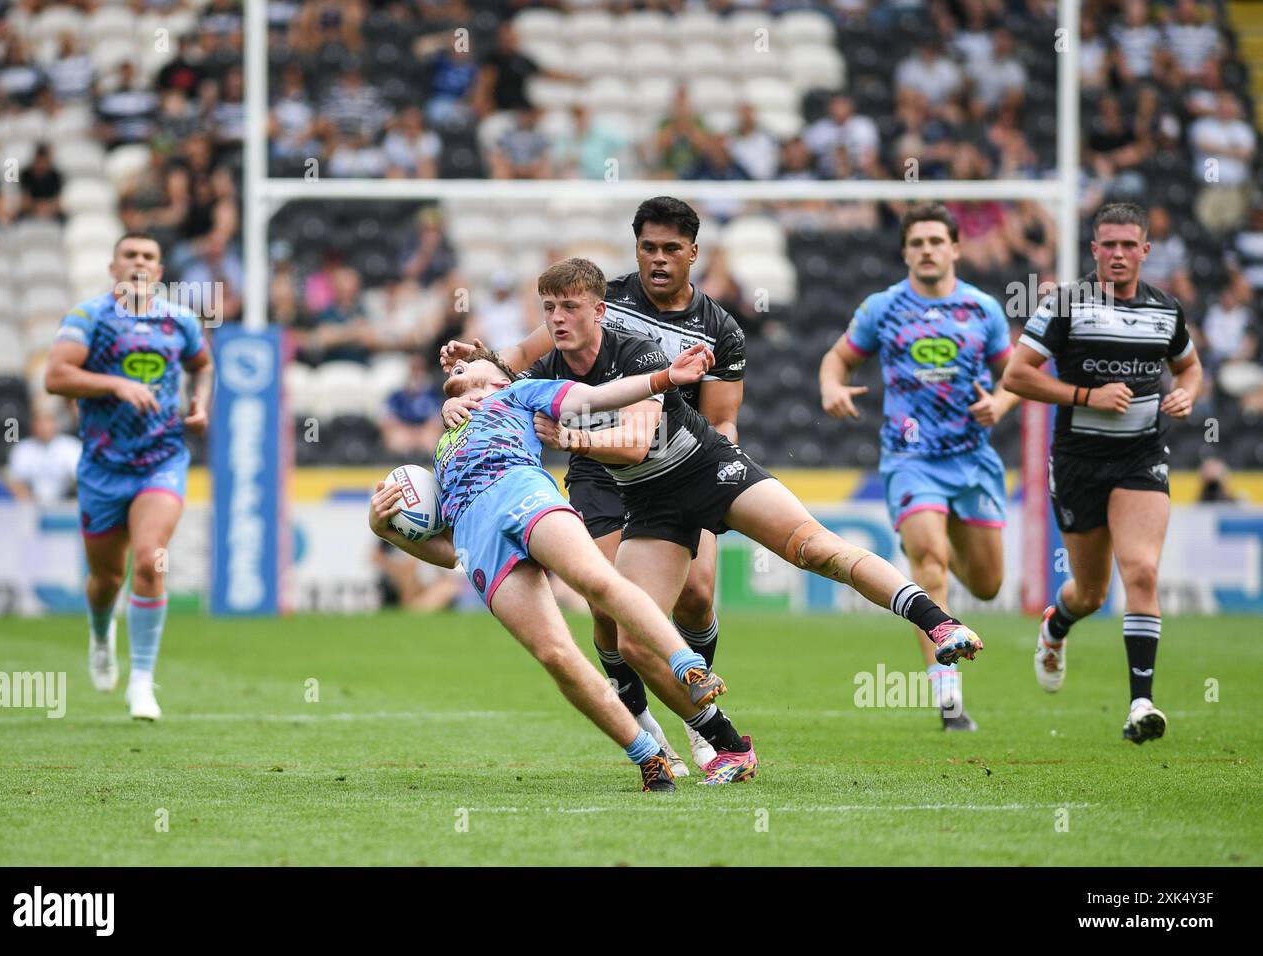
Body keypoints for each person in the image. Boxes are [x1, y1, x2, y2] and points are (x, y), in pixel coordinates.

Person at [442, 259, 985, 776]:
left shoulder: (639, 351)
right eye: (549, 308)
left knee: (815, 549)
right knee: (633, 640)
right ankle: (728, 745)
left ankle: (939, 623)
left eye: (570, 307)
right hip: (651, 505)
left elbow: (633, 445)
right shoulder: (544, 371)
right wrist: (458, 395)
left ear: (599, 310)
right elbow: (494, 381)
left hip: (708, 470)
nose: (557, 318)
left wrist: (570, 438)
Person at [441, 198, 745, 774]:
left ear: (692, 254)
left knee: (699, 594)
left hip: (674, 467)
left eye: (670, 248)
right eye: (648, 246)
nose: (657, 258)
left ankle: (692, 712)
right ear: (637, 249)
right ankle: (658, 721)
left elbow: (723, 416)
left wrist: (723, 467)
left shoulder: (719, 327)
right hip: (596, 471)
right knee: (604, 601)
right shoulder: (598, 298)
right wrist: (472, 371)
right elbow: (518, 363)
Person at [370, 343, 737, 791]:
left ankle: (689, 668)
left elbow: (592, 400)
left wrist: (664, 379)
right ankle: (649, 758)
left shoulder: (519, 392)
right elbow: (448, 554)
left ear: (500, 379)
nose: (452, 367)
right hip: (476, 539)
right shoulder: (443, 442)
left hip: (522, 491)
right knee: (555, 655)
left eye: (471, 366)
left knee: (595, 580)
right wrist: (388, 531)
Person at [1003, 202, 1202, 745]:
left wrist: (1186, 393)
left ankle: (1142, 703)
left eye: (1127, 245)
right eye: (1107, 245)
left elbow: (1187, 364)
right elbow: (1017, 376)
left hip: (1142, 457)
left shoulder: (1166, 309)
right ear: (1094, 250)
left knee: (1140, 571)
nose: (1117, 254)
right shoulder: (1066, 305)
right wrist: (1087, 395)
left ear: (1145, 249)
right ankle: (1056, 627)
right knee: (1090, 592)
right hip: (1078, 461)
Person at [819, 203, 1018, 731]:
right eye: (918, 242)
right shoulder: (883, 308)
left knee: (989, 583)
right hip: (911, 458)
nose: (927, 250)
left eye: (937, 241)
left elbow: (1015, 375)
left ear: (955, 247)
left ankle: (932, 540)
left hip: (973, 460)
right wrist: (832, 386)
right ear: (905, 251)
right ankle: (949, 700)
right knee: (929, 563)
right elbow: (837, 358)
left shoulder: (983, 310)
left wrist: (1000, 404)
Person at [45, 232, 213, 720]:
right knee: (105, 577)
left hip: (161, 459)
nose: (139, 263)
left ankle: (142, 681)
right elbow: (56, 377)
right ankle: (101, 633)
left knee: (149, 561)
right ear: (113, 267)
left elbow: (202, 364)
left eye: (149, 257)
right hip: (102, 466)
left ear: (159, 272)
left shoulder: (178, 320)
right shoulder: (88, 318)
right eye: (130, 255)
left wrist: (201, 400)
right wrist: (116, 384)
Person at [4, 406, 82, 506]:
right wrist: (27, 500)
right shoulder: (21, 449)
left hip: (65, 506)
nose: (44, 427)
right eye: (39, 422)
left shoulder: (71, 446)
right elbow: (14, 482)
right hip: (30, 506)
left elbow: (82, 480)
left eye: (48, 422)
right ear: (32, 425)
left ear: (56, 424)